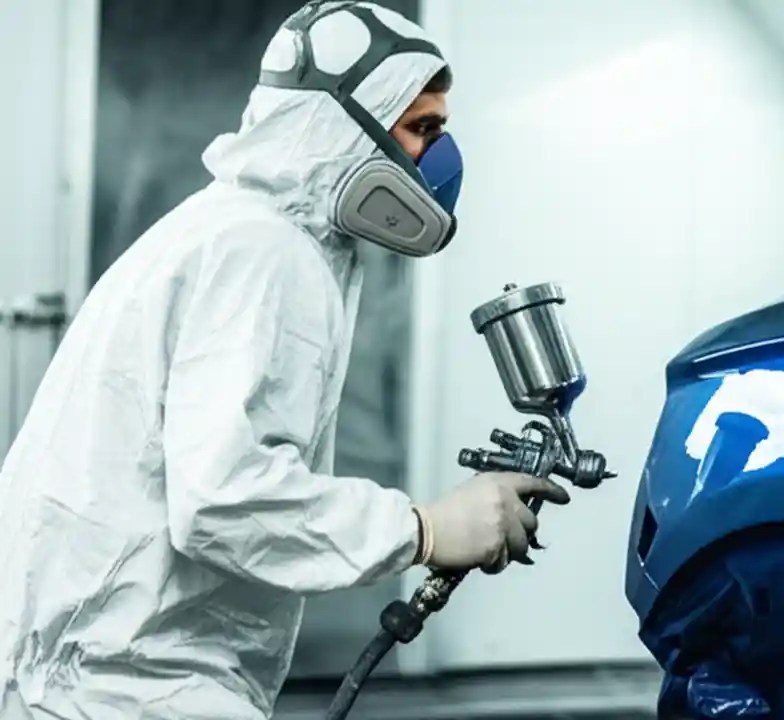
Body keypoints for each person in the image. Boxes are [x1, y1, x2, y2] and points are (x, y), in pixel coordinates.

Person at [0, 3, 568, 718]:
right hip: (126, 681)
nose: (441, 160)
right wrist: (423, 529)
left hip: (106, 661)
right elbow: (224, 497)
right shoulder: (265, 253)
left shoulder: (235, 229)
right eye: (423, 129)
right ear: (344, 129)